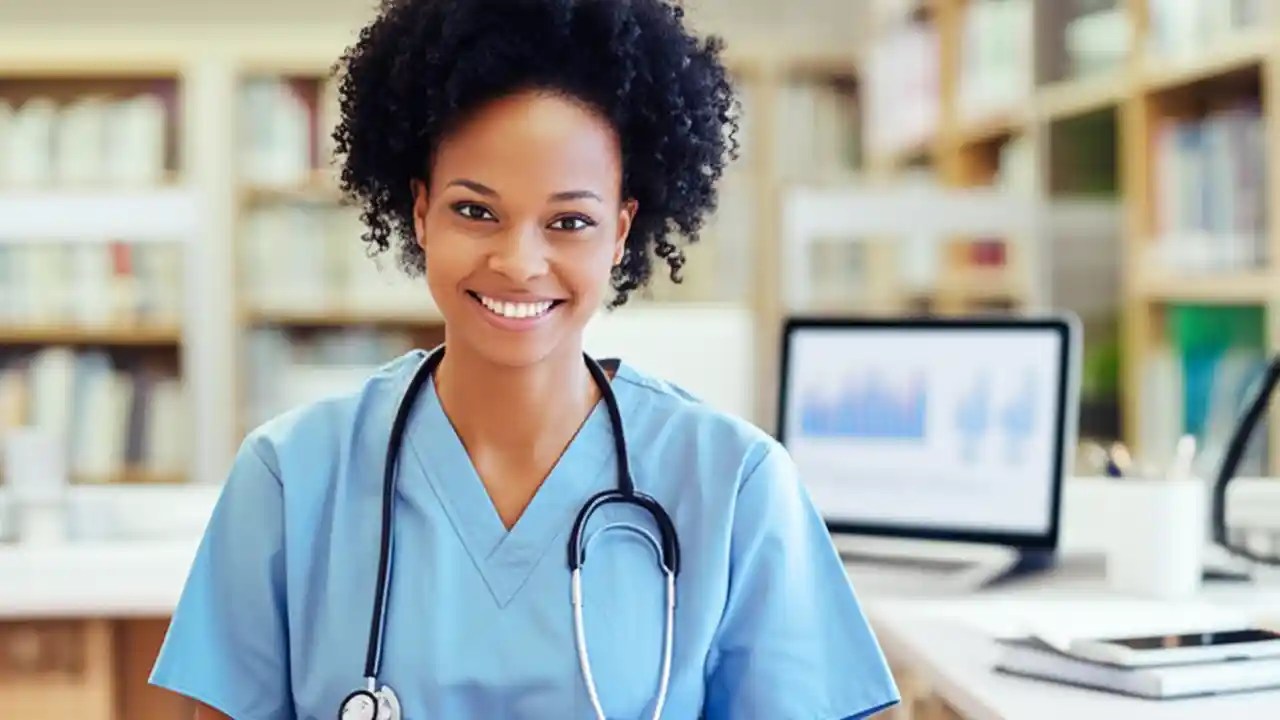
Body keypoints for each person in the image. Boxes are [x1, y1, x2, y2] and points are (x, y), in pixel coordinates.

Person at [150, 1, 900, 718]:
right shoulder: (291, 479)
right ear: (419, 212)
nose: (518, 261)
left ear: (620, 232)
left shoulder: (733, 485)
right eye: (475, 211)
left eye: (569, 221)